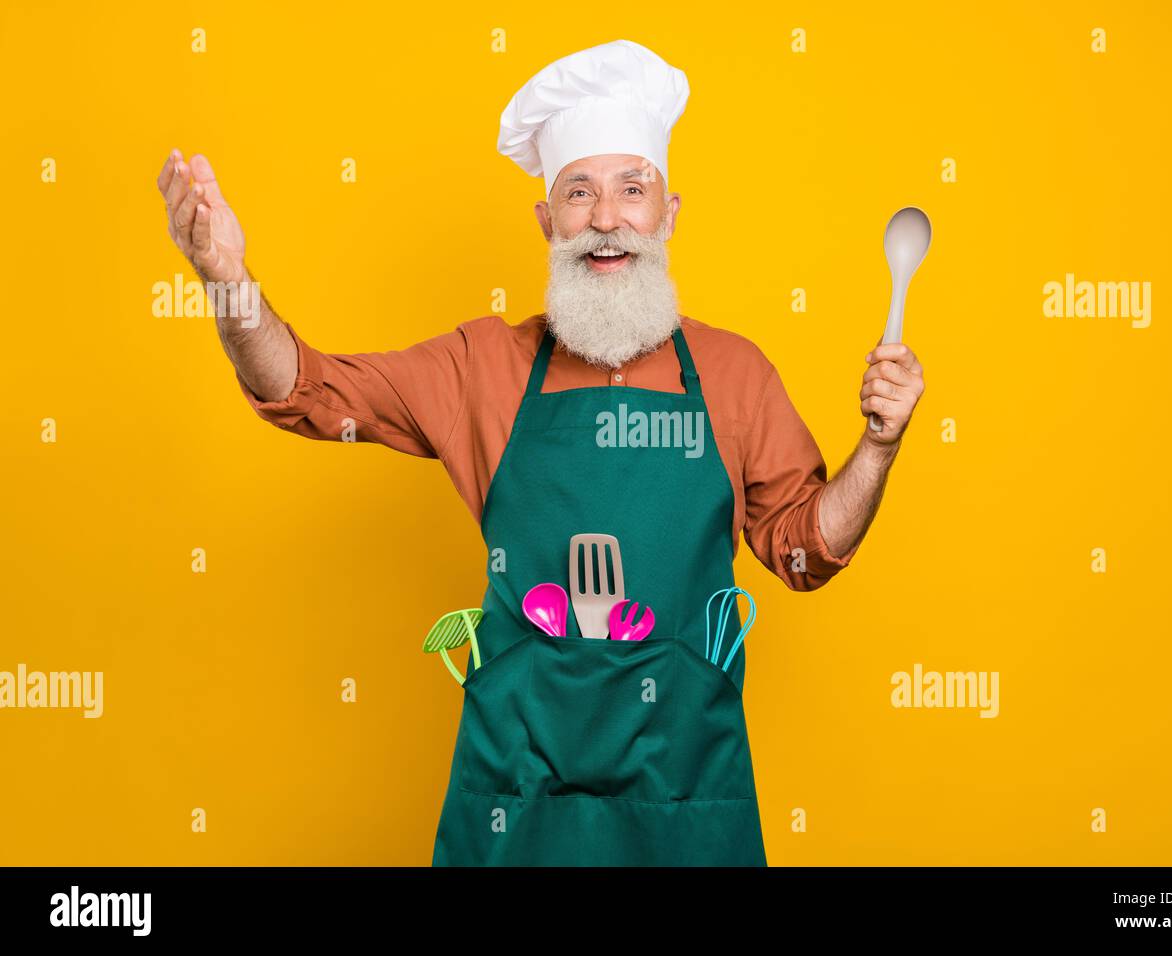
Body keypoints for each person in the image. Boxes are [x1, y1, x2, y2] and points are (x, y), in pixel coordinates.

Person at [154, 39, 925, 866]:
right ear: (546, 219)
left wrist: (879, 446)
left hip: (685, 810)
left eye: (633, 189)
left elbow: (808, 554)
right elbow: (308, 388)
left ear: (667, 216)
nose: (605, 218)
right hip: (515, 814)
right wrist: (226, 280)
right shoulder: (483, 366)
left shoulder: (736, 375)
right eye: (578, 193)